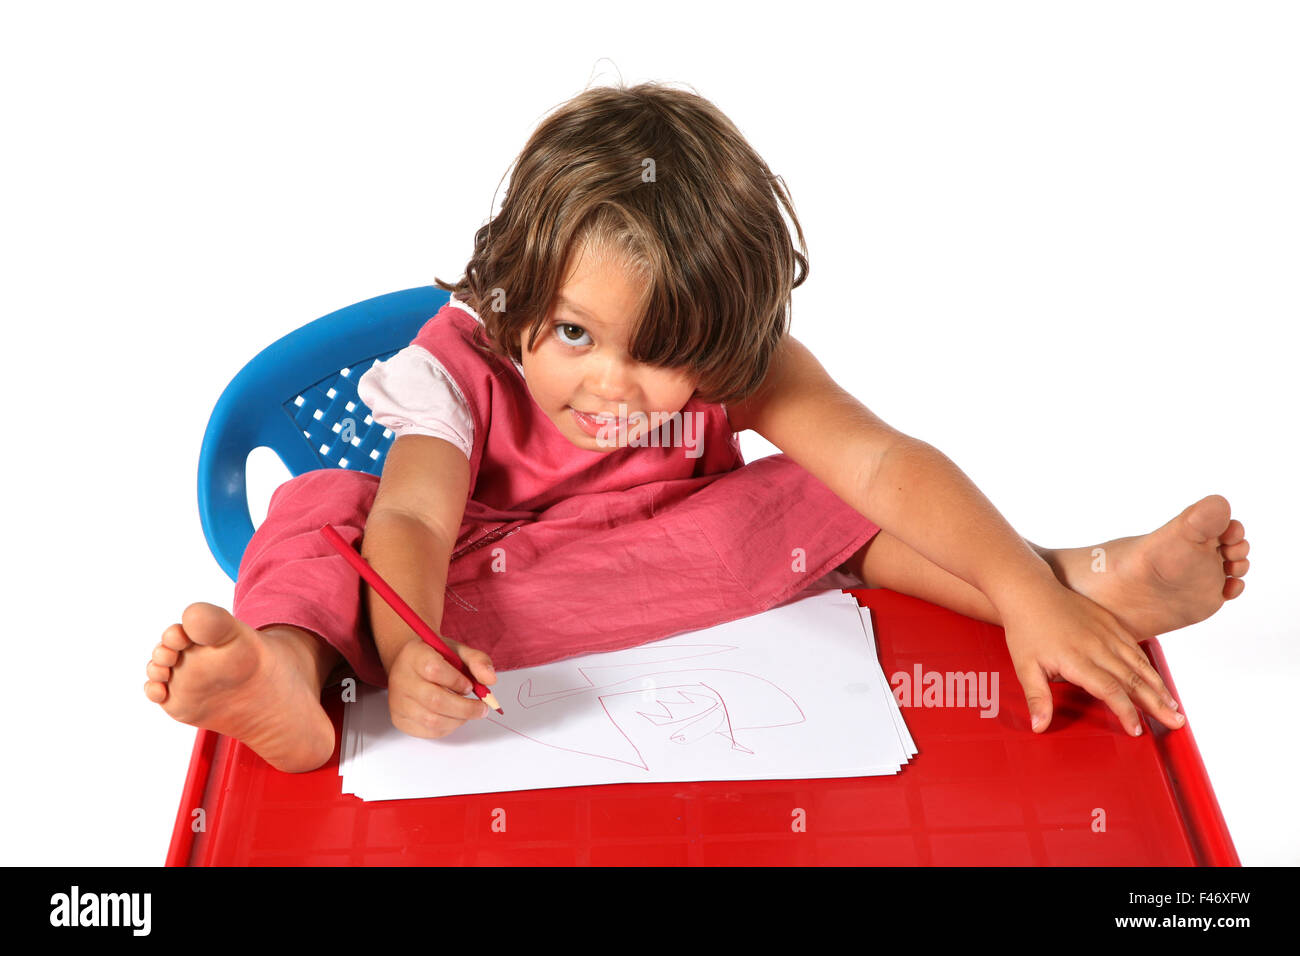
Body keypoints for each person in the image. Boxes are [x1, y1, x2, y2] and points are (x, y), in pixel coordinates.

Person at [143, 81, 1250, 773]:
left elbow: (879, 460)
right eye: (573, 333)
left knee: (819, 488)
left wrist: (1016, 595)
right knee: (320, 509)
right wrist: (409, 648)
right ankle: (284, 683)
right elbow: (415, 525)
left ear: (718, 336)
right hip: (481, 607)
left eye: (659, 352)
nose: (609, 384)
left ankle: (1063, 582)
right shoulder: (452, 365)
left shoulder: (734, 357)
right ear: (515, 290)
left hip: (682, 576)